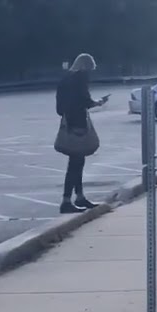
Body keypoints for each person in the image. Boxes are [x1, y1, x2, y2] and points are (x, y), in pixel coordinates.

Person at [55, 53, 108, 213]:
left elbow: (59, 108)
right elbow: (85, 100)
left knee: (76, 162)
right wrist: (98, 102)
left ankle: (79, 196)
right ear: (86, 67)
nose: (90, 73)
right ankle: (67, 200)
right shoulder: (80, 78)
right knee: (76, 164)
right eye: (90, 69)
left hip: (68, 123)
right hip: (79, 123)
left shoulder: (64, 79)